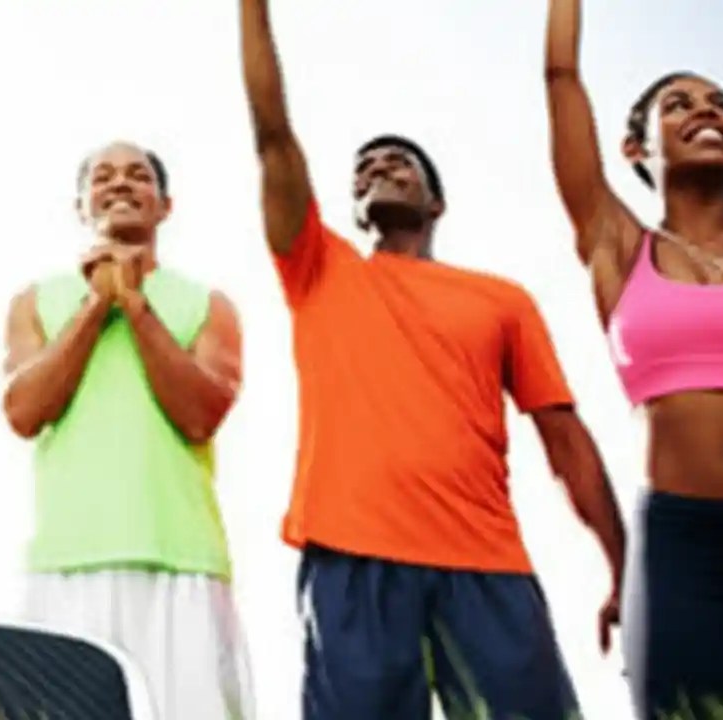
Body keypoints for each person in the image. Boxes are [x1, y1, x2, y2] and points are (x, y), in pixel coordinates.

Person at [238, 1, 629, 718]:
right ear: (352, 204)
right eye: (365, 169)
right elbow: (272, 135)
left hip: (487, 569)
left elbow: (564, 438)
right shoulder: (319, 268)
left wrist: (620, 562)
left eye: (400, 164)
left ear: (436, 199)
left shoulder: (500, 300)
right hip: (352, 565)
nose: (380, 169)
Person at [1, 141, 254, 720]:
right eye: (103, 177)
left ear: (164, 205)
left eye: (138, 176)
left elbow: (199, 413)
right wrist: (97, 303)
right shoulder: (36, 301)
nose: (120, 184)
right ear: (80, 204)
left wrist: (135, 306)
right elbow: (23, 411)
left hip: (182, 561)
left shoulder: (209, 304)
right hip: (66, 563)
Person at [544, 0, 723, 715]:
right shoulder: (619, 249)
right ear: (637, 151)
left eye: (722, 103)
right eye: (679, 104)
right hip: (679, 548)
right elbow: (561, 75)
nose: (707, 110)